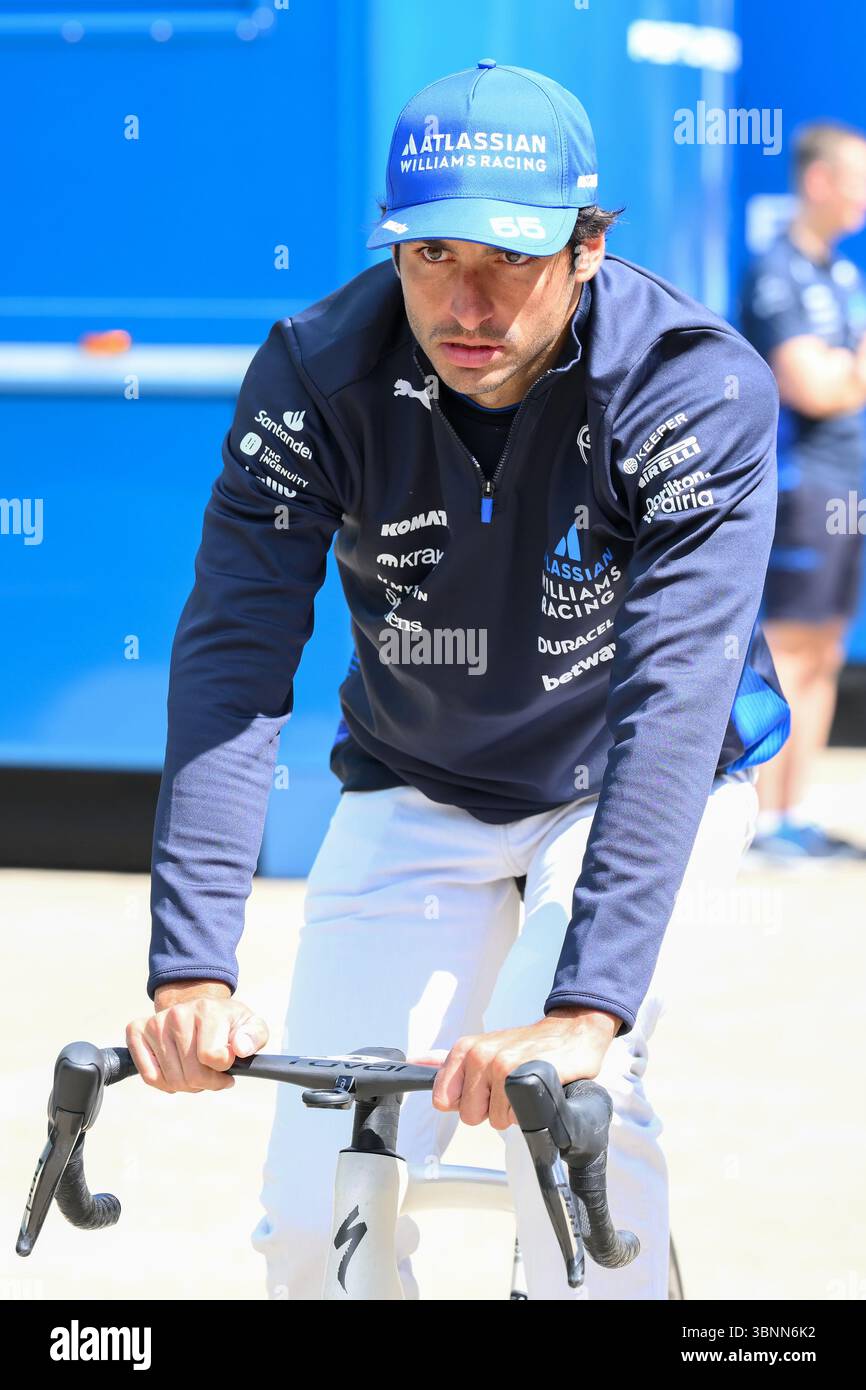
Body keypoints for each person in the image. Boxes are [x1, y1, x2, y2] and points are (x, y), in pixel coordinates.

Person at [128, 60, 790, 1300]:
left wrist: (586, 1008)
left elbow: (672, 700)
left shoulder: (691, 385)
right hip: (419, 778)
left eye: (510, 259)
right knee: (307, 1202)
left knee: (574, 1125)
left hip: (632, 776)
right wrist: (191, 968)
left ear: (588, 248)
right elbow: (233, 659)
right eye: (429, 255)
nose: (464, 301)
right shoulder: (315, 373)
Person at [739, 120, 866, 860]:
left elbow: (839, 378)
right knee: (785, 648)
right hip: (802, 485)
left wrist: (845, 373)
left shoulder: (839, 273)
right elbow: (810, 386)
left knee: (824, 649)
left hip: (848, 480)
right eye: (856, 180)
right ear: (819, 182)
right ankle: (753, 818)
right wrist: (849, 374)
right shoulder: (776, 270)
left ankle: (792, 817)